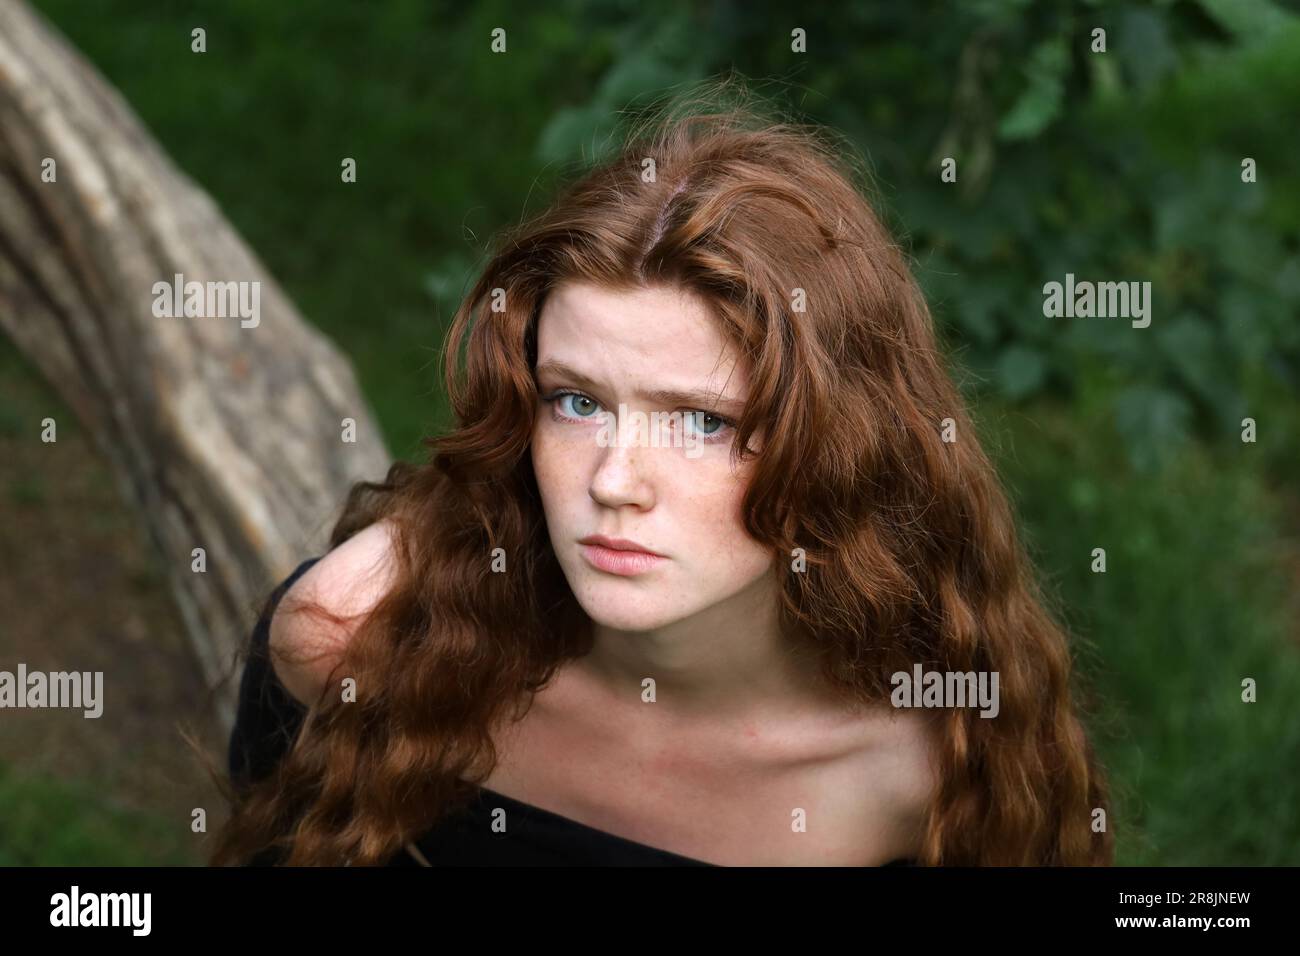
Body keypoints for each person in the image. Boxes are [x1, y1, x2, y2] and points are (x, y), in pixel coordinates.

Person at [210, 78, 1113, 867]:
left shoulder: (928, 759)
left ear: (838, 442)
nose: (615, 481)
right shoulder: (359, 638)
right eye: (576, 401)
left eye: (703, 421)